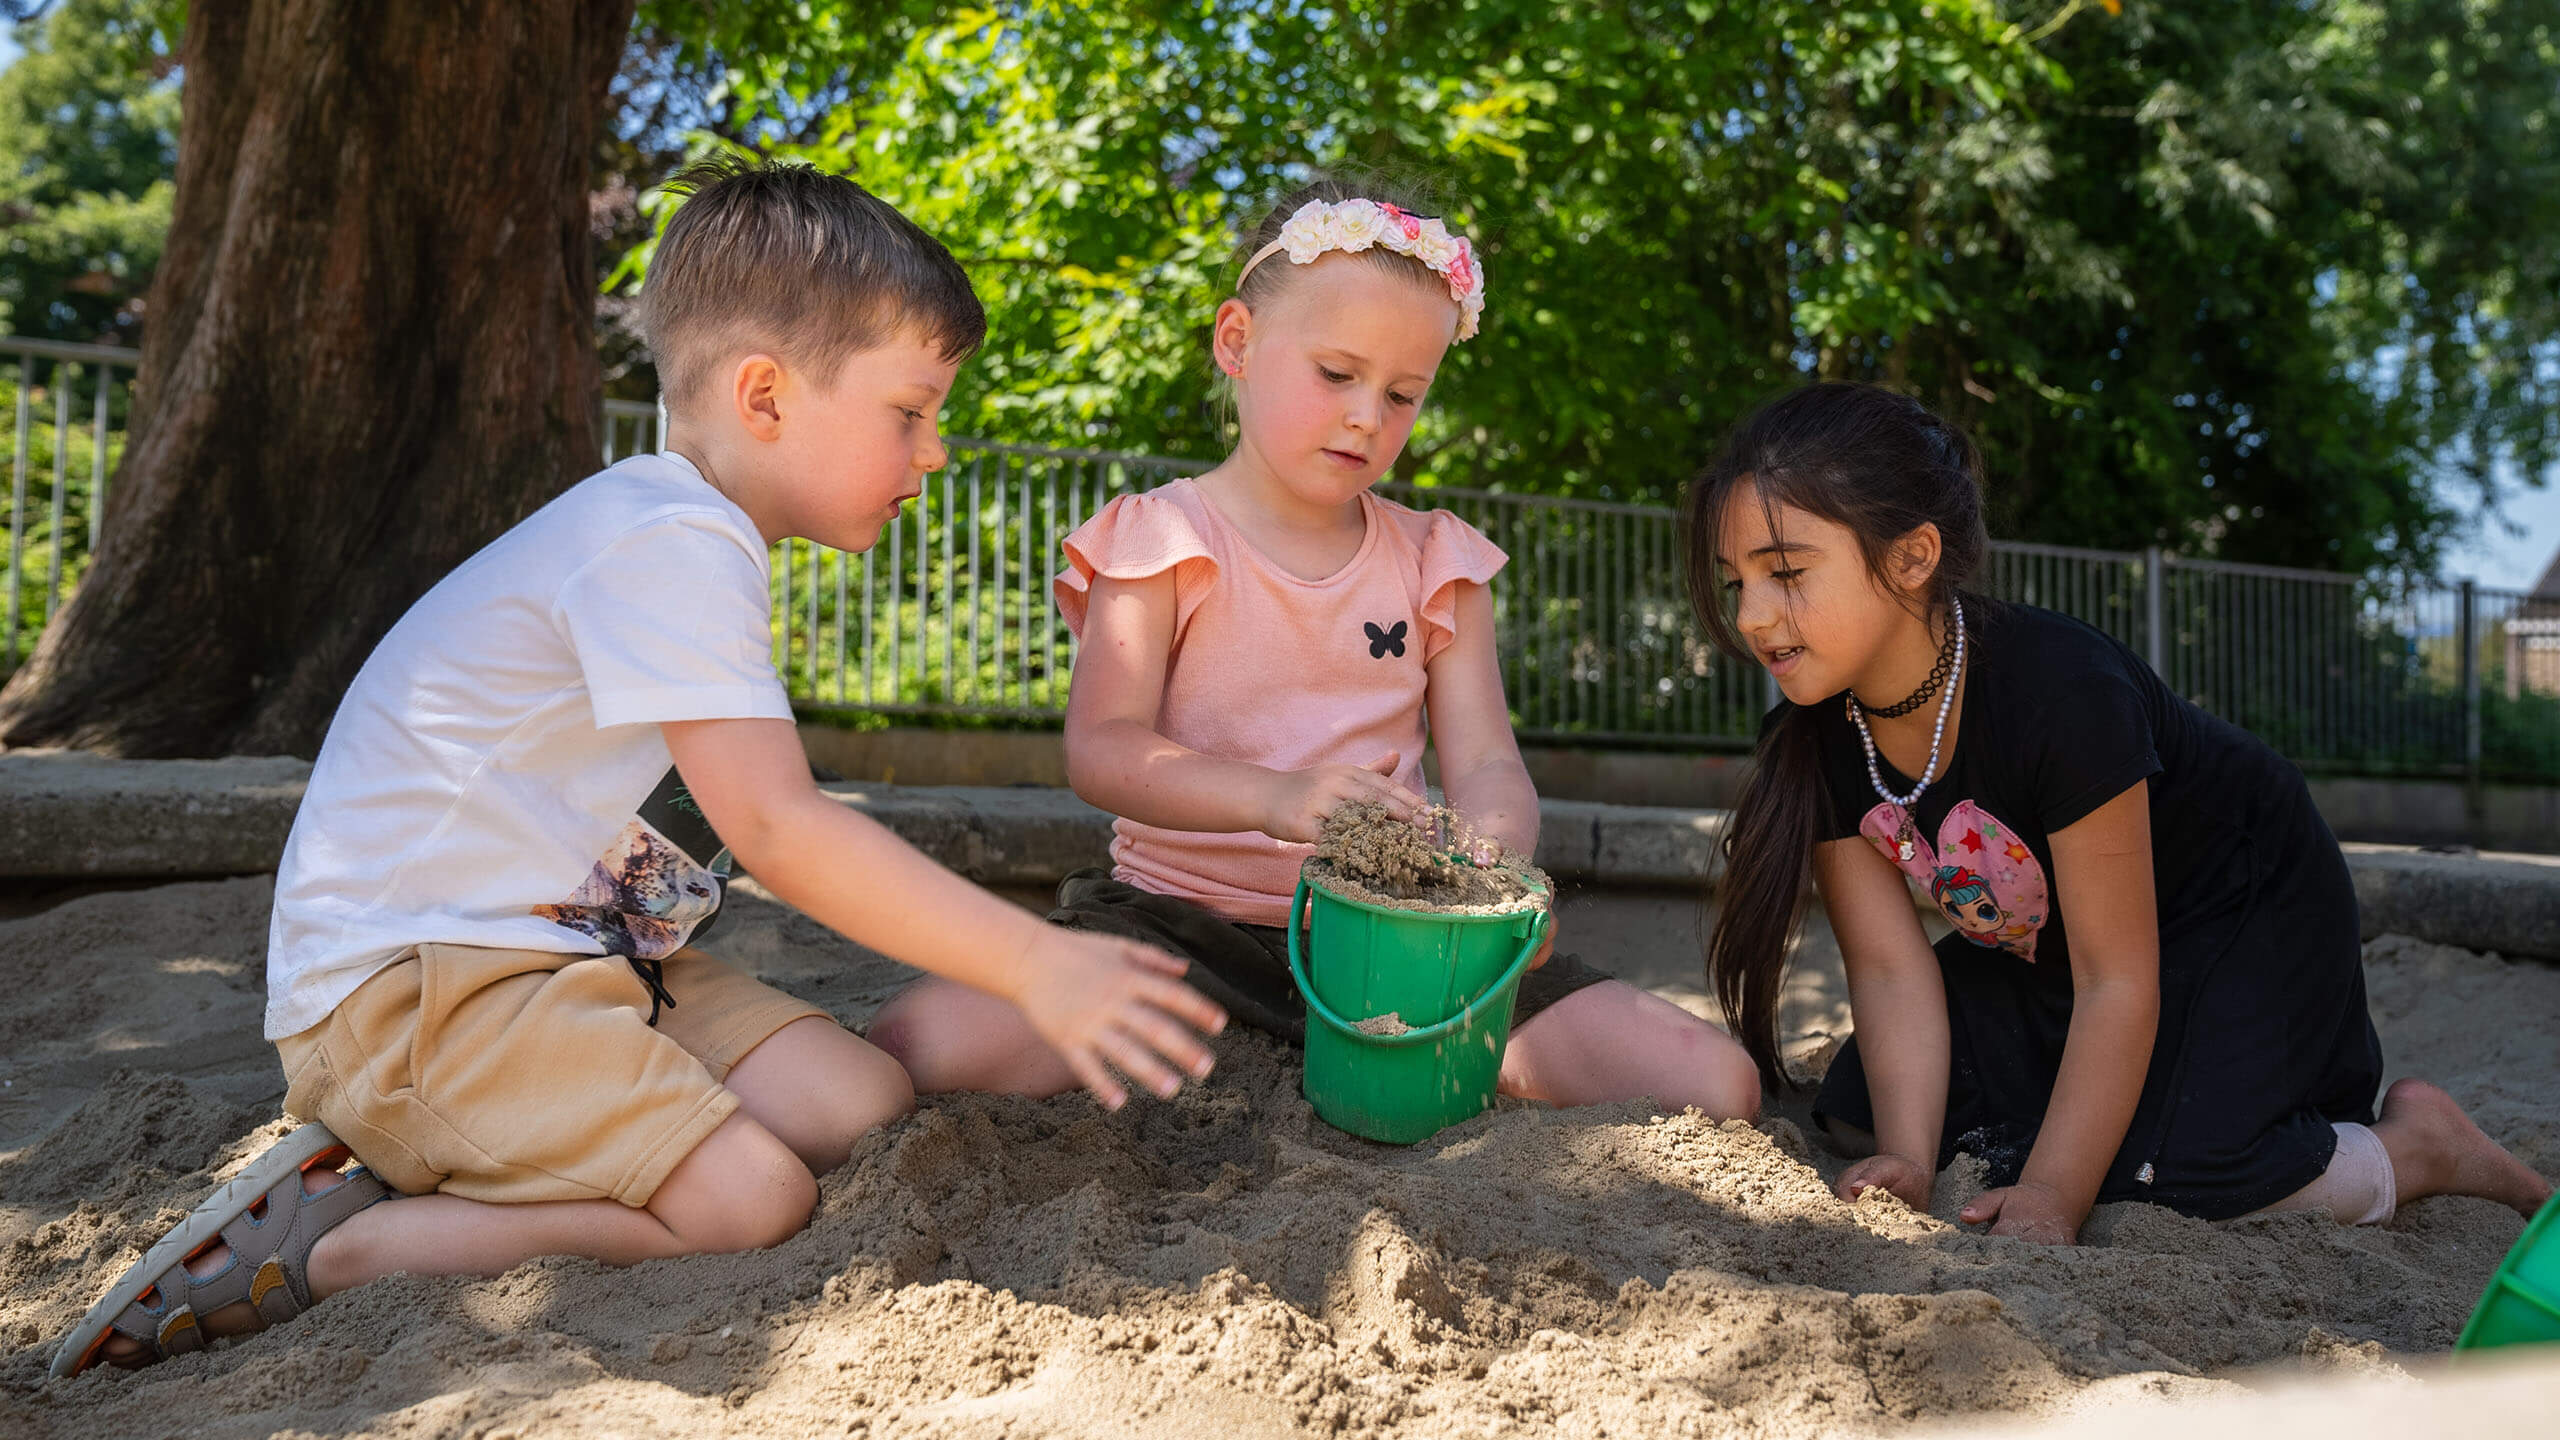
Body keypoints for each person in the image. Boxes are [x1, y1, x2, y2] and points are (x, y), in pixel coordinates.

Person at [52, 158, 1225, 1378]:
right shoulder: (669, 541)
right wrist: (1035, 958)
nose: (931, 455)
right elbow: (779, 830)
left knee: (859, 1104)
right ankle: (339, 1244)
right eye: (909, 411)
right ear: (764, 395)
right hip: (412, 993)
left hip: (566, 947)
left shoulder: (680, 536)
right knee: (752, 1200)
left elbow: (635, 843)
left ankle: (488, 1146)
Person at [868, 177, 1762, 1121]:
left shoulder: (1435, 559)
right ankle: (1221, 1034)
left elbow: (1491, 762)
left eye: (1403, 393)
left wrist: (1491, 875)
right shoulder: (1160, 538)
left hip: (1402, 938)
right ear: (1238, 343)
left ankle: (1374, 1033)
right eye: (1337, 374)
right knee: (921, 1044)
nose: (1367, 418)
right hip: (1182, 930)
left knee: (1714, 1081)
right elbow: (1102, 749)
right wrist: (1279, 800)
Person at [1685, 381, 2552, 1243]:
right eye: (1737, 583)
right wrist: (1911, 1162)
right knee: (1860, 1107)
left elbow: (2118, 978)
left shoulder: (2062, 692)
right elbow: (1886, 971)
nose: (1754, 618)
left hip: (2241, 911)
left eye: (1788, 572)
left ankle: (2423, 1148)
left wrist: (2056, 1197)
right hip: (2071, 960)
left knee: (2155, 1178)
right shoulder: (1814, 735)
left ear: (1913, 557)